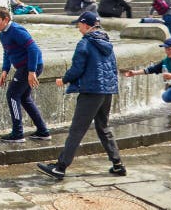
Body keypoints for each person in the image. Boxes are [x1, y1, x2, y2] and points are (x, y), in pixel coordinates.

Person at [37, 12, 124, 180]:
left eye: (79, 24)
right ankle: (118, 164)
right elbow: (113, 68)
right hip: (107, 91)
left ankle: (60, 168)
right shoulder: (106, 42)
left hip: (91, 92)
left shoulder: (85, 43)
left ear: (86, 25)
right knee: (103, 127)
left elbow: (77, 68)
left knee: (77, 130)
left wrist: (64, 79)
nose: (78, 27)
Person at [0, 6, 51, 143]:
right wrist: (4, 71)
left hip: (30, 66)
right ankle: (43, 131)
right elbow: (7, 53)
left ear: (6, 19)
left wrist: (31, 71)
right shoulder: (3, 34)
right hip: (26, 68)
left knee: (12, 95)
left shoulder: (16, 30)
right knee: (24, 97)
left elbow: (33, 49)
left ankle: (18, 133)